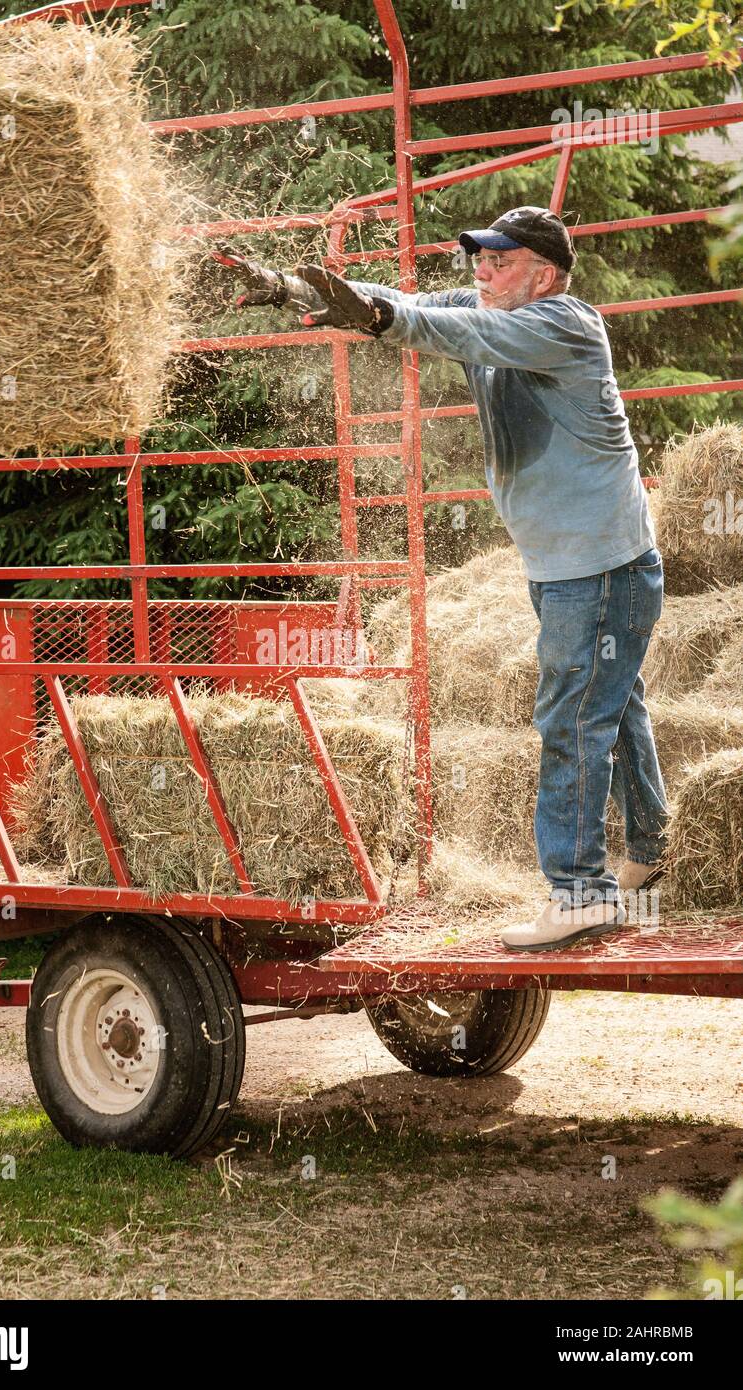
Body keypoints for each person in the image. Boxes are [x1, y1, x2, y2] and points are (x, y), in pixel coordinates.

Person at [213, 206, 670, 951]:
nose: (481, 272)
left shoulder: (562, 325)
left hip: (598, 569)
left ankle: (582, 893)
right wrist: (292, 285)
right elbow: (410, 305)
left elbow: (448, 330)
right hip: (579, 565)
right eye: (477, 260)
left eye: (499, 259)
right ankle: (649, 850)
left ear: (544, 274)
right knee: (612, 710)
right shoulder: (489, 304)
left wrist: (380, 317)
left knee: (571, 721)